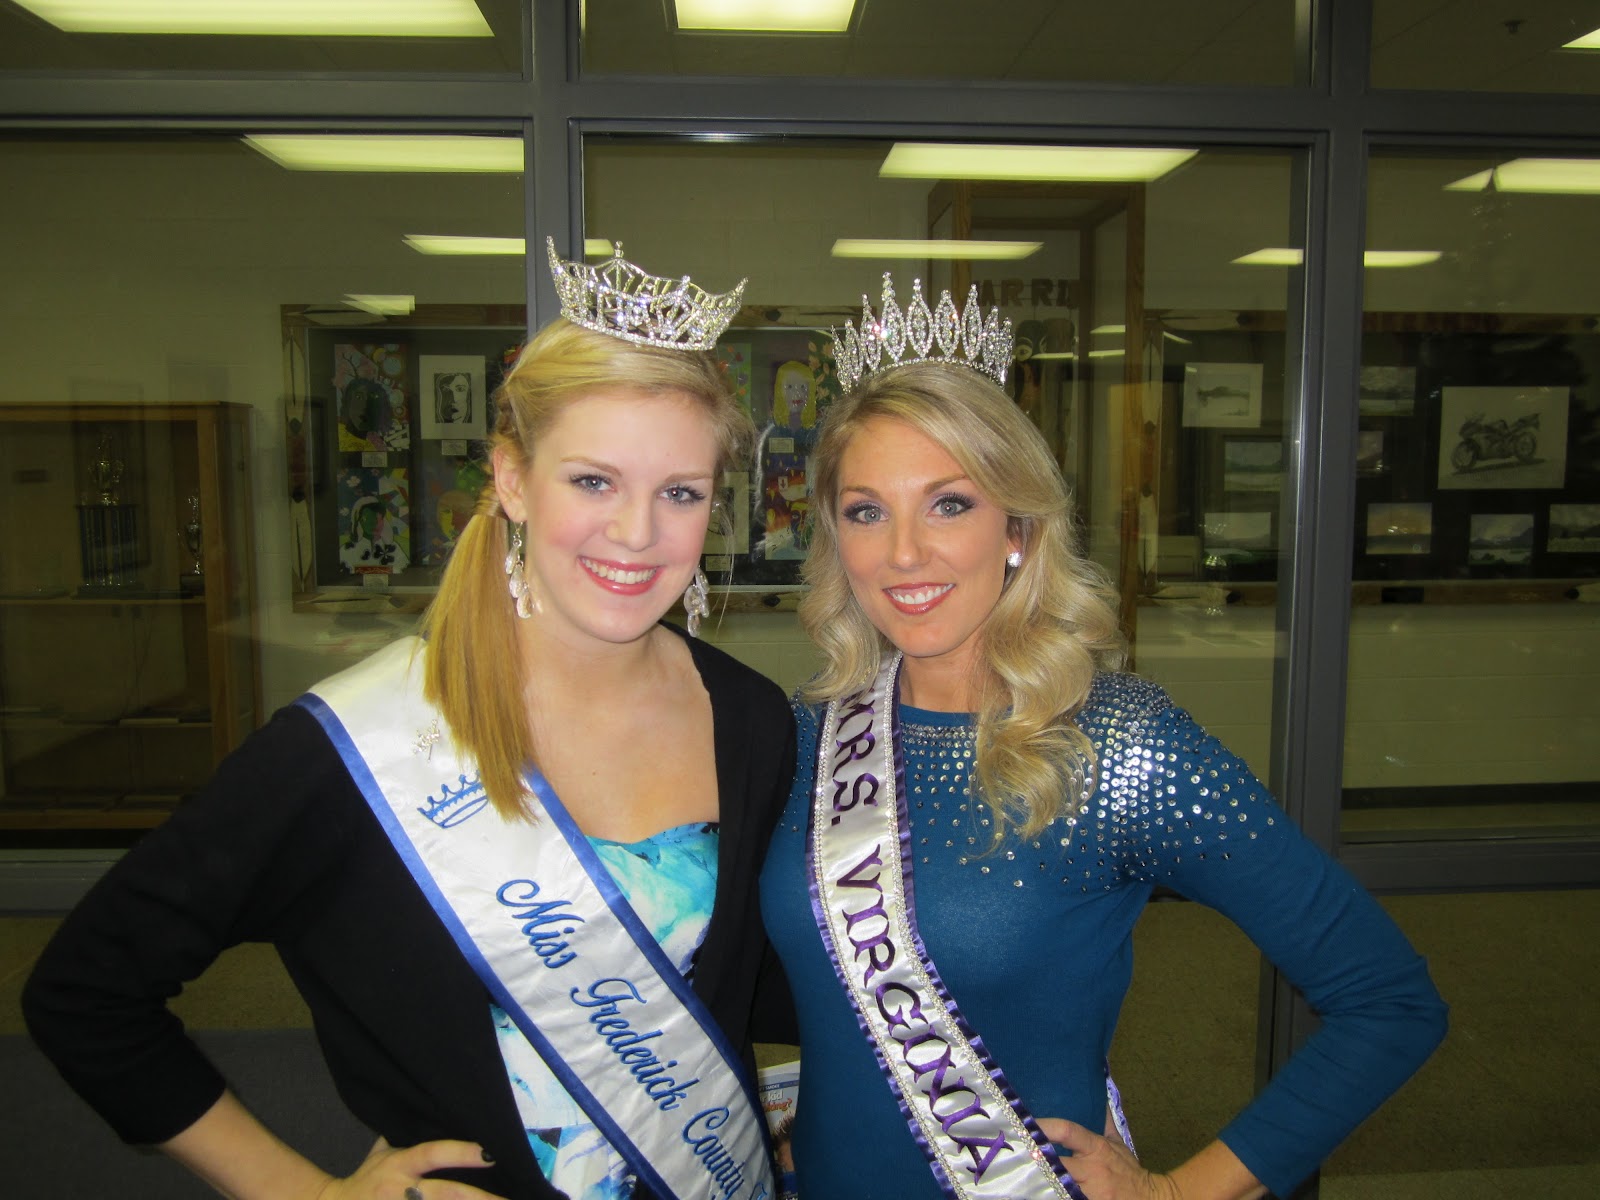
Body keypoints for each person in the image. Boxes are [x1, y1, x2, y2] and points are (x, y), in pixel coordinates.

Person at [25, 238, 794, 1200]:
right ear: (511, 480)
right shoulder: (356, 747)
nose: (638, 534)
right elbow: (85, 992)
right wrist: (304, 1194)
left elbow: (754, 982)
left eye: (680, 492)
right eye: (593, 481)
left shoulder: (749, 719)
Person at [758, 276, 1448, 1200]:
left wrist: (1179, 1192)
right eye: (866, 510)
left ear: (1018, 527)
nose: (904, 552)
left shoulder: (1121, 745)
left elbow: (1390, 1001)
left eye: (950, 503)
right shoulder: (809, 733)